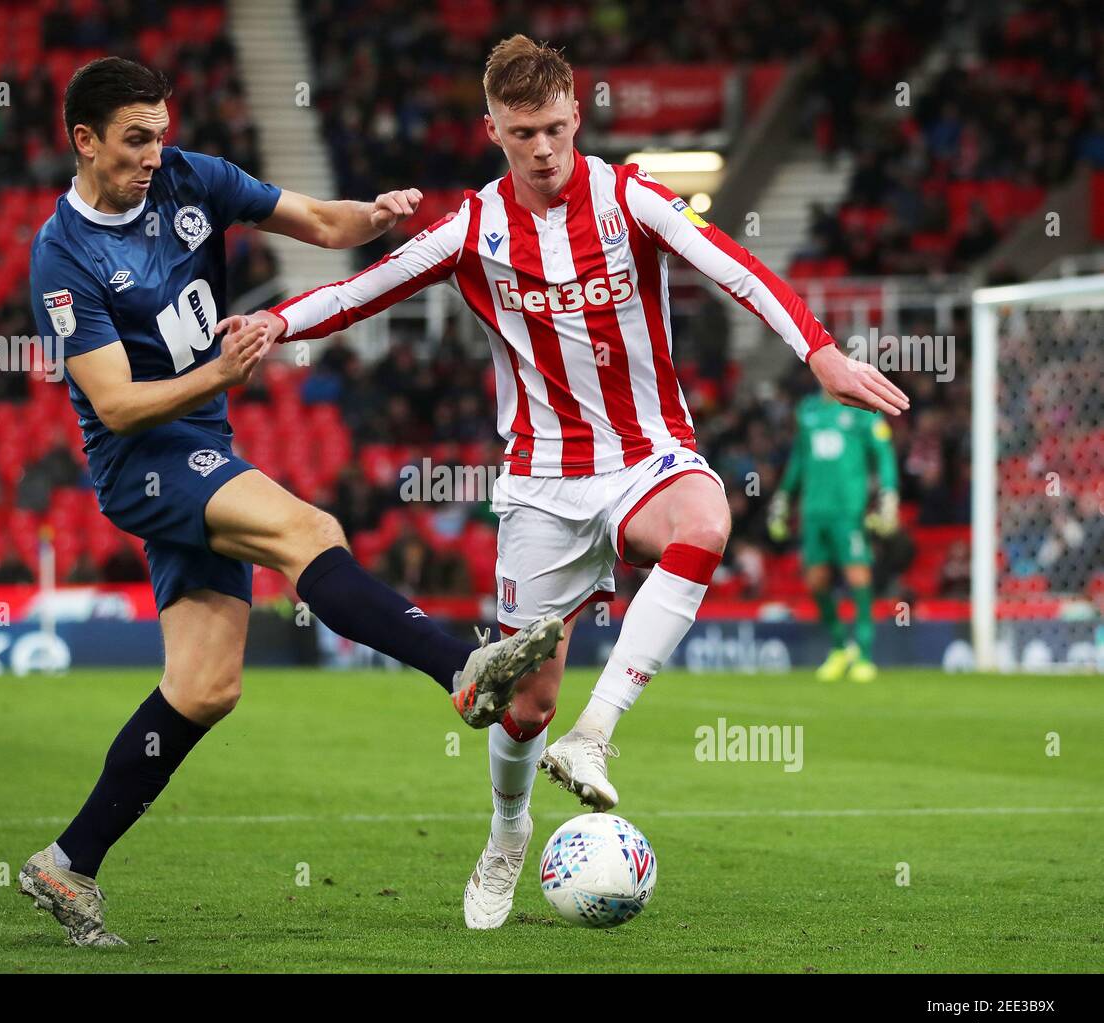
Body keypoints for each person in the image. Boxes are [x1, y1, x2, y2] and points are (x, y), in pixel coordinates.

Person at [227, 35, 909, 929]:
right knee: (519, 707)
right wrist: (276, 323)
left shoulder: (632, 199)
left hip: (646, 454)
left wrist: (818, 351)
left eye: (554, 127)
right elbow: (367, 288)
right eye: (522, 134)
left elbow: (738, 270)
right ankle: (509, 834)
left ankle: (596, 736)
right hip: (542, 484)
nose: (543, 149)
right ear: (492, 131)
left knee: (706, 519)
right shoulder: (475, 227)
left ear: (577, 114)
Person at [22, 57, 562, 947]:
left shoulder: (191, 176)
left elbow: (314, 219)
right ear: (84, 140)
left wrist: (377, 218)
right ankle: (460, 669)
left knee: (205, 687)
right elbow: (114, 403)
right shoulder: (63, 254)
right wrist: (217, 373)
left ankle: (67, 864)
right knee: (310, 529)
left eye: (161, 131)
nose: (156, 152)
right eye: (135, 138)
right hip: (144, 460)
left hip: (203, 445)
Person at [768, 389, 900, 681]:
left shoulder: (862, 410)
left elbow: (883, 453)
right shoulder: (808, 409)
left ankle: (864, 653)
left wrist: (888, 493)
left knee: (857, 576)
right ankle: (841, 646)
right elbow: (799, 458)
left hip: (847, 510)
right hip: (814, 510)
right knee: (816, 580)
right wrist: (784, 496)